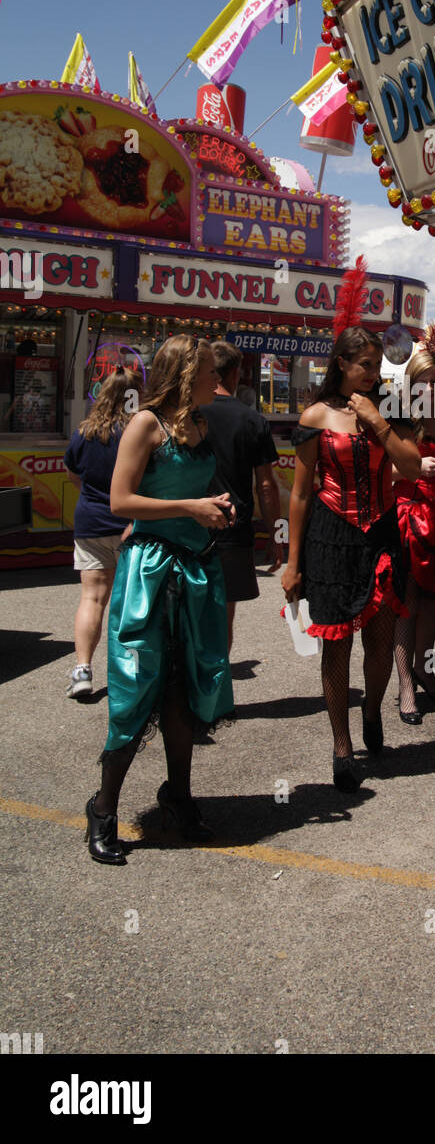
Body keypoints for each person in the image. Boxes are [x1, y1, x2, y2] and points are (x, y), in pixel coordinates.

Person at [83, 335, 236, 866]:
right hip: (149, 571)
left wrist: (213, 505)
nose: (218, 380)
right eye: (210, 371)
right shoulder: (145, 423)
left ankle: (179, 796)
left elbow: (184, 492)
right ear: (186, 372)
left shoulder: (199, 424)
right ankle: (103, 809)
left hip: (193, 570)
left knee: (183, 691)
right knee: (135, 688)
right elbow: (120, 500)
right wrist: (191, 506)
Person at [281, 264, 421, 793]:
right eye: (364, 366)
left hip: (382, 530)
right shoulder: (315, 415)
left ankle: (373, 712)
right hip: (332, 537)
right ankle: (342, 744)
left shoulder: (387, 408)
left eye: (376, 366)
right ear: (341, 364)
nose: (373, 373)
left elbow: (409, 468)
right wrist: (292, 563)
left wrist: (377, 420)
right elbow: (299, 492)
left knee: (382, 644)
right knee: (336, 645)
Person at [393, 325, 435, 722]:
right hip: (407, 517)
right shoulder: (397, 416)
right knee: (407, 603)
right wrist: (414, 470)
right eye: (421, 381)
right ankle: (405, 684)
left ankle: (425, 669)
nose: (429, 388)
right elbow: (380, 476)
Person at [63, 369, 142, 698]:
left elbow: (73, 475)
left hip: (91, 523)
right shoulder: (138, 432)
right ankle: (131, 670)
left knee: (92, 598)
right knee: (131, 604)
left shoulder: (85, 432)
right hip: (131, 524)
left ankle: (82, 668)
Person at [200, 341, 281, 653]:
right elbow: (266, 486)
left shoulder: (191, 413)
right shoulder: (252, 420)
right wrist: (277, 534)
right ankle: (216, 684)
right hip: (234, 527)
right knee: (223, 613)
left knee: (190, 611)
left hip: (189, 524)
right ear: (234, 374)